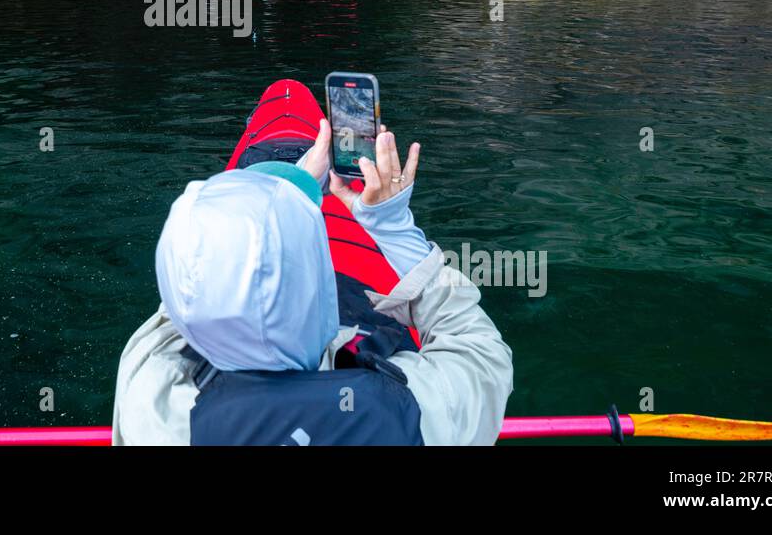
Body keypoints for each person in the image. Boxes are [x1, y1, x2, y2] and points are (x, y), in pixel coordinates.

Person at [113, 119, 513, 445]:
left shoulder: (155, 407)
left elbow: (182, 299)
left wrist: (282, 190)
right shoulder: (411, 412)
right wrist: (393, 229)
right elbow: (479, 351)